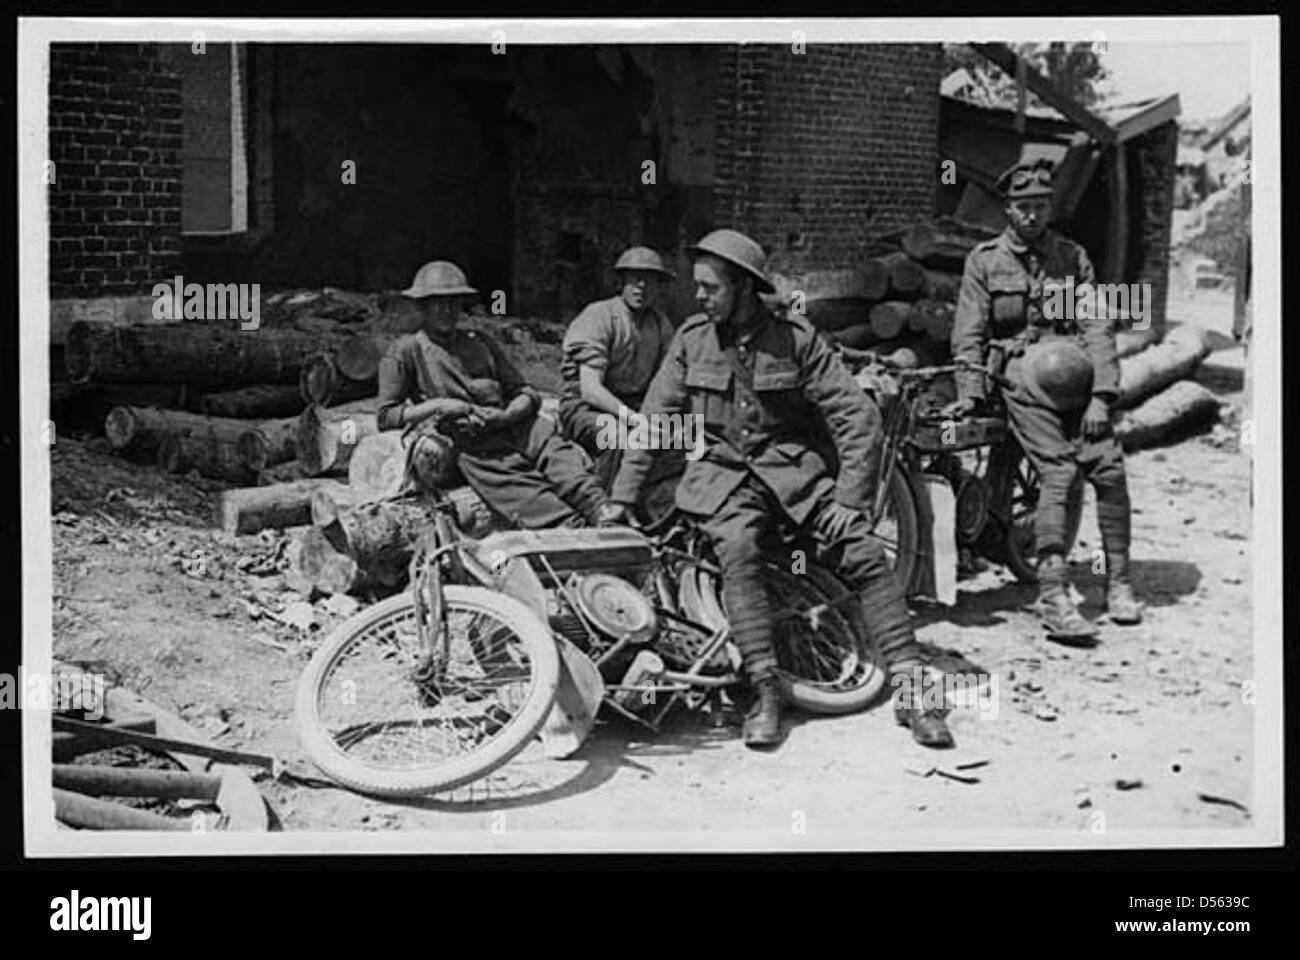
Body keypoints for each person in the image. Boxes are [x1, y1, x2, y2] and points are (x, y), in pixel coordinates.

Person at [600, 229, 955, 750]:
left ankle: (909, 685)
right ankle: (764, 687)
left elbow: (857, 418)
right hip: (723, 479)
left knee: (862, 553)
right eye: (697, 287)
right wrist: (622, 498)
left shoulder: (796, 338)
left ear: (744, 287)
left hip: (794, 478)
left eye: (710, 288)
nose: (699, 297)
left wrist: (848, 500)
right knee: (737, 550)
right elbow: (655, 423)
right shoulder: (692, 339)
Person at [945, 158, 1143, 640]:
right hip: (1018, 380)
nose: (1032, 216)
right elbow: (968, 333)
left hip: (1073, 379)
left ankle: (1117, 583)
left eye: (1040, 206)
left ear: (1049, 208)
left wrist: (1101, 398)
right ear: (1007, 209)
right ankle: (1053, 593)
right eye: (1023, 207)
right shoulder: (985, 261)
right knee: (1059, 470)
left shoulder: (1071, 257)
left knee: (1110, 470)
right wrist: (971, 392)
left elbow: (1097, 326)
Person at [376, 259, 609, 528]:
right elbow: (386, 416)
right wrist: (440, 405)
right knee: (507, 480)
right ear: (422, 306)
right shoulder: (406, 350)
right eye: (436, 302)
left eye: (454, 302)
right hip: (466, 438)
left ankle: (598, 508)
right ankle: (567, 526)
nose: (447, 309)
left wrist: (510, 413)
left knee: (551, 443)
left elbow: (524, 391)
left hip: (509, 422)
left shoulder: (480, 341)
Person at [558, 246, 684, 507]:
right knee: (618, 437)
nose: (641, 287)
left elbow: (668, 382)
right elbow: (590, 389)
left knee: (691, 436)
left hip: (636, 405)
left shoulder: (660, 324)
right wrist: (635, 419)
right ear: (621, 282)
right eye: (634, 279)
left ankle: (663, 509)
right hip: (585, 407)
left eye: (649, 281)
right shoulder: (600, 315)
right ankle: (602, 507)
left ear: (659, 287)